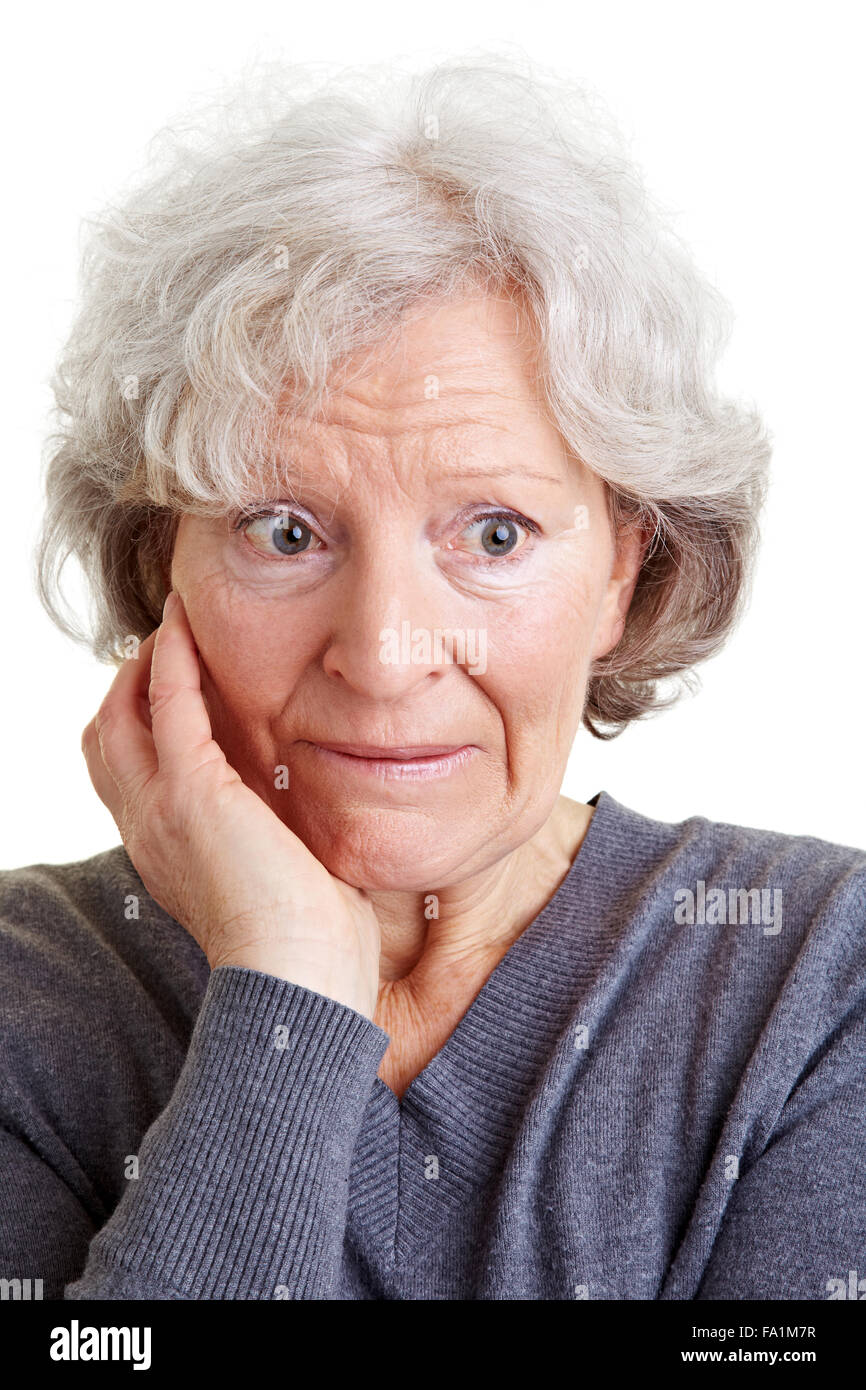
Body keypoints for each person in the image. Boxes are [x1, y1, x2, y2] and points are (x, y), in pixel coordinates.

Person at [1, 54, 863, 1301]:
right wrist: (285, 981)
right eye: (283, 531)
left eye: (494, 535)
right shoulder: (27, 996)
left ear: (622, 570)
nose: (388, 655)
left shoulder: (813, 978)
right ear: (160, 565)